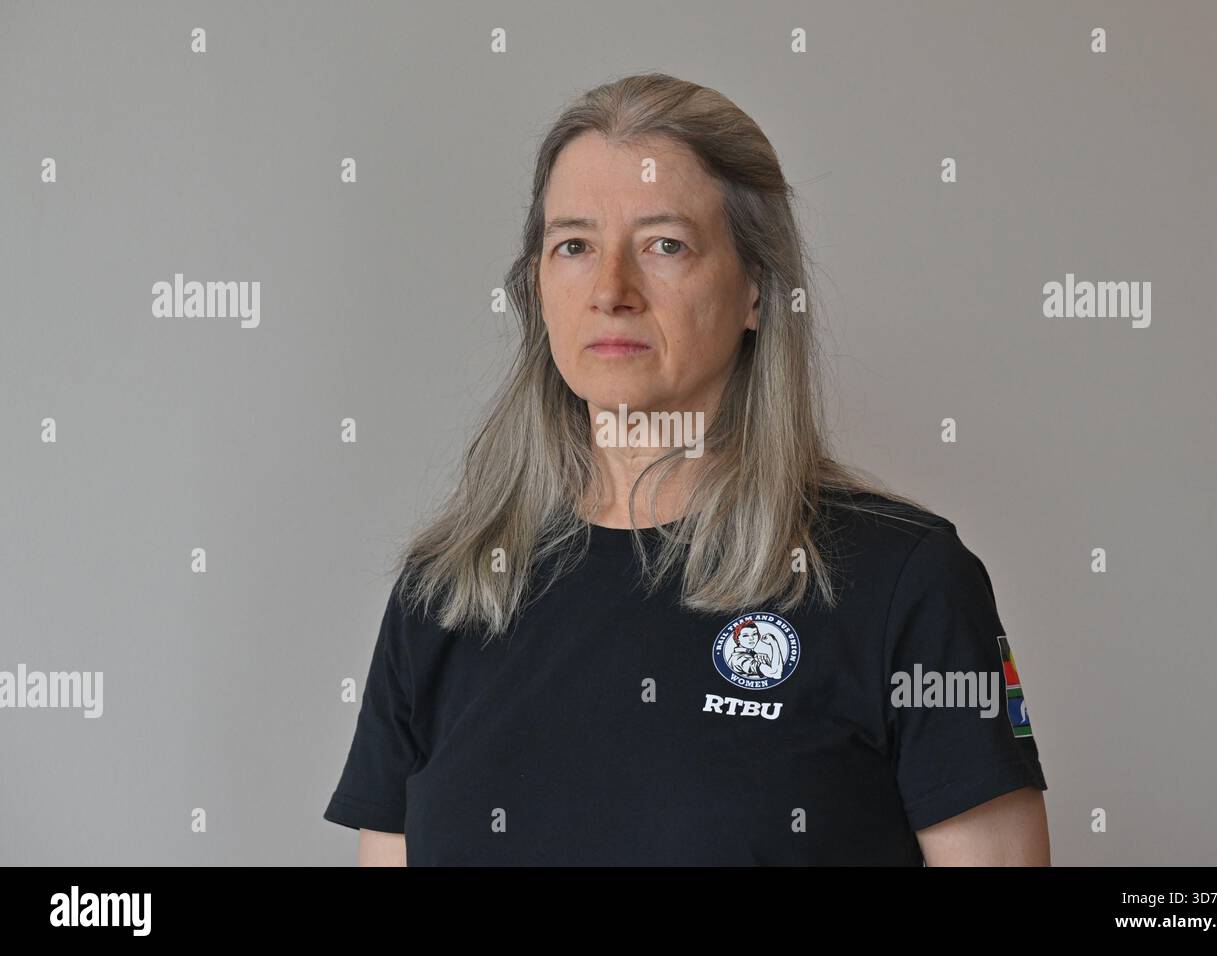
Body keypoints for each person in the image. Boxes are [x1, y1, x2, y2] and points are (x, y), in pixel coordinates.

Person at [323, 72, 1049, 866]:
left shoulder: (906, 582)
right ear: (536, 289)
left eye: (664, 245)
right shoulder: (448, 593)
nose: (611, 291)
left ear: (757, 292)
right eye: (574, 246)